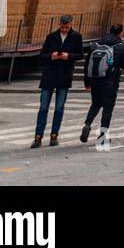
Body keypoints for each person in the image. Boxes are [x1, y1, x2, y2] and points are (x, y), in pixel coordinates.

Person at [32, 14, 84, 148]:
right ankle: (38, 136)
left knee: (59, 108)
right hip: (49, 74)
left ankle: (54, 135)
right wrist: (51, 56)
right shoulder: (51, 37)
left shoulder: (76, 37)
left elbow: (80, 54)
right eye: (62, 27)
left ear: (71, 25)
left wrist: (68, 56)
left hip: (64, 75)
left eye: (66, 27)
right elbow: (42, 55)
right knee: (43, 107)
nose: (64, 30)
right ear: (59, 25)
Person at [80, 23, 124, 147]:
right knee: (108, 109)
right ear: (120, 33)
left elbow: (87, 64)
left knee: (95, 104)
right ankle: (102, 135)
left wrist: (87, 82)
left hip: (95, 80)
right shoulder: (120, 47)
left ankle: (87, 124)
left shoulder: (96, 45)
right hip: (110, 82)